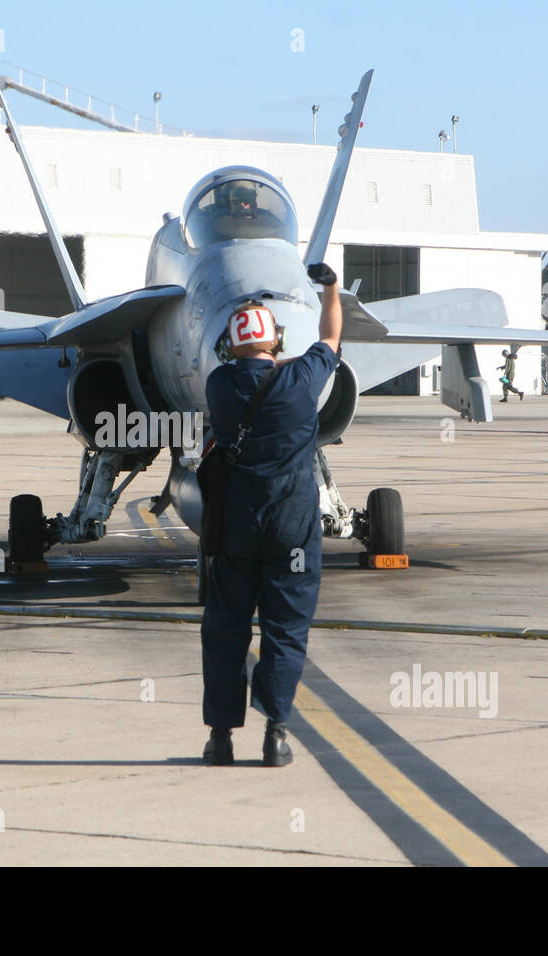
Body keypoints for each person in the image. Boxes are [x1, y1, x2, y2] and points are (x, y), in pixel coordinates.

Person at [199, 263, 342, 767]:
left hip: (236, 527)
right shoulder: (302, 379)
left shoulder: (219, 386)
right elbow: (331, 336)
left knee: (225, 631)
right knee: (284, 629)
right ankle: (276, 734)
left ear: (231, 346)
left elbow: (231, 370)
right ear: (275, 341)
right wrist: (331, 289)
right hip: (293, 528)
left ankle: (220, 739)